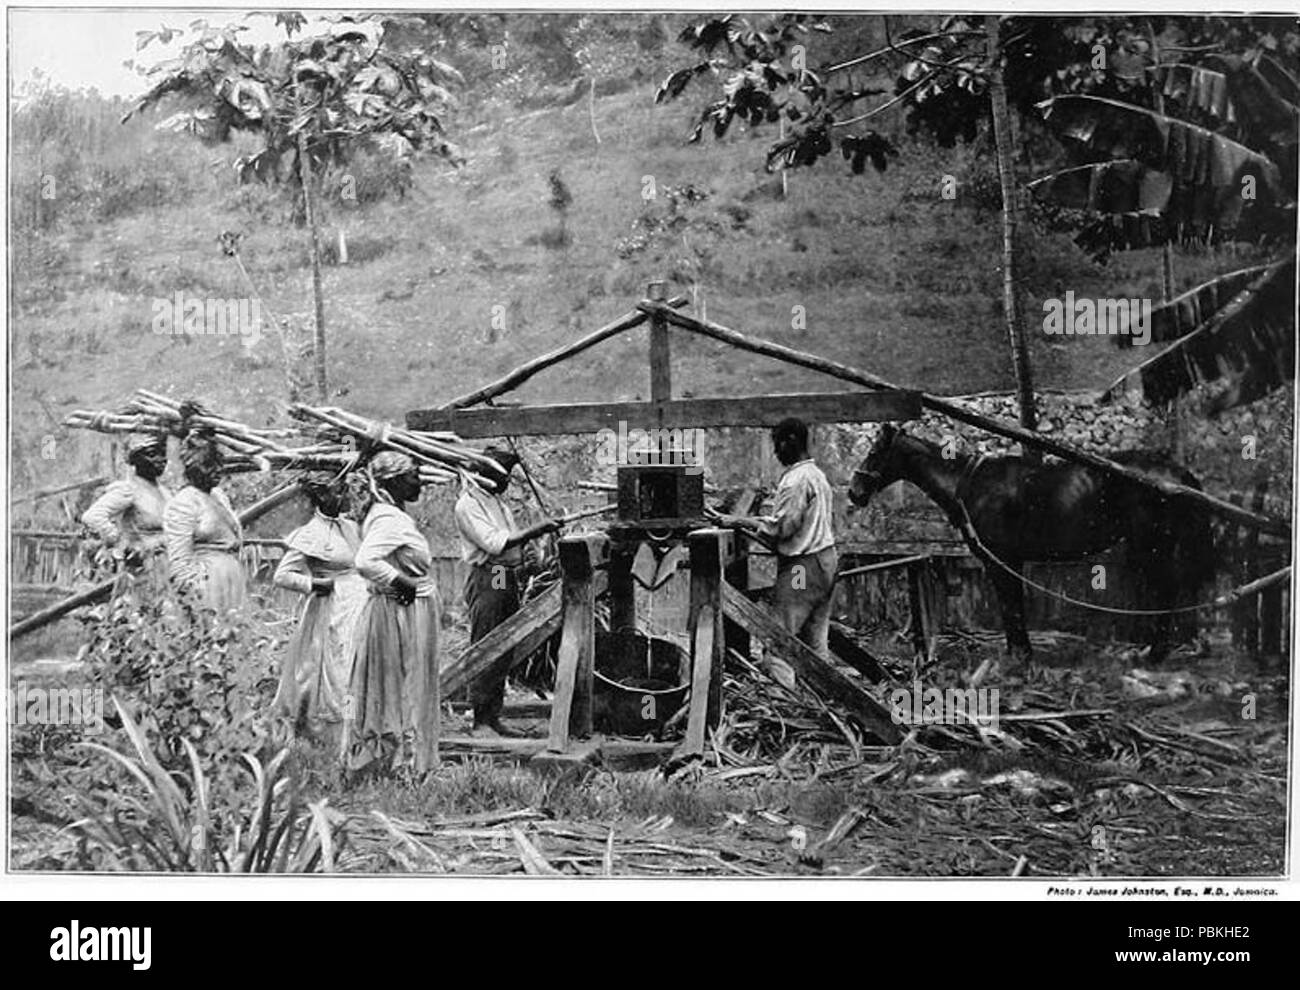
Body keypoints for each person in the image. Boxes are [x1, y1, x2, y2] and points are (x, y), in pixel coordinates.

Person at [344, 451, 440, 777]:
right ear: (395, 480)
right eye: (414, 475)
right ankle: (402, 760)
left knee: (399, 681)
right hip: (401, 610)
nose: (420, 481)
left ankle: (399, 757)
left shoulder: (387, 514)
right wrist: (400, 581)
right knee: (406, 682)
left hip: (402, 608)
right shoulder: (389, 519)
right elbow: (365, 561)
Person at [453, 447, 560, 738]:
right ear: (485, 474)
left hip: (504, 575)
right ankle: (479, 721)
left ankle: (493, 715)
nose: (507, 483)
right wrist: (538, 530)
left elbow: (512, 544)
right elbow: (495, 544)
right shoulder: (468, 504)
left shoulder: (496, 502)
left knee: (504, 645)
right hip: (490, 575)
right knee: (488, 642)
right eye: (503, 476)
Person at [712, 417, 838, 657]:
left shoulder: (796, 481)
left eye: (777, 444)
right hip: (826, 560)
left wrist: (737, 521)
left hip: (803, 568)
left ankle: (777, 692)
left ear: (790, 441)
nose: (776, 453)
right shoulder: (817, 475)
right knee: (814, 641)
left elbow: (782, 528)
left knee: (779, 641)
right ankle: (822, 694)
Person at [272, 477, 365, 744]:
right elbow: (283, 575)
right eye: (338, 491)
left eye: (344, 489)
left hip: (359, 605)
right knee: (341, 672)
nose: (345, 495)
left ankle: (358, 725)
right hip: (332, 610)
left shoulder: (350, 527)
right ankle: (340, 730)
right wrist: (314, 583)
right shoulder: (311, 533)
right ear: (322, 497)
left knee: (359, 666)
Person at [163, 430, 246, 614]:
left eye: (218, 464)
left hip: (231, 579)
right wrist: (197, 598)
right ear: (192, 467)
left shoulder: (218, 496)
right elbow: (180, 562)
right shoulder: (183, 502)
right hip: (208, 584)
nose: (217, 470)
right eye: (208, 465)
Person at [81, 432, 172, 583]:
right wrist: (121, 542)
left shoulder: (166, 492)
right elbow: (92, 517)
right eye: (152, 455)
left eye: (163, 454)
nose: (160, 460)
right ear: (135, 459)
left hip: (166, 568)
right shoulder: (128, 490)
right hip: (141, 571)